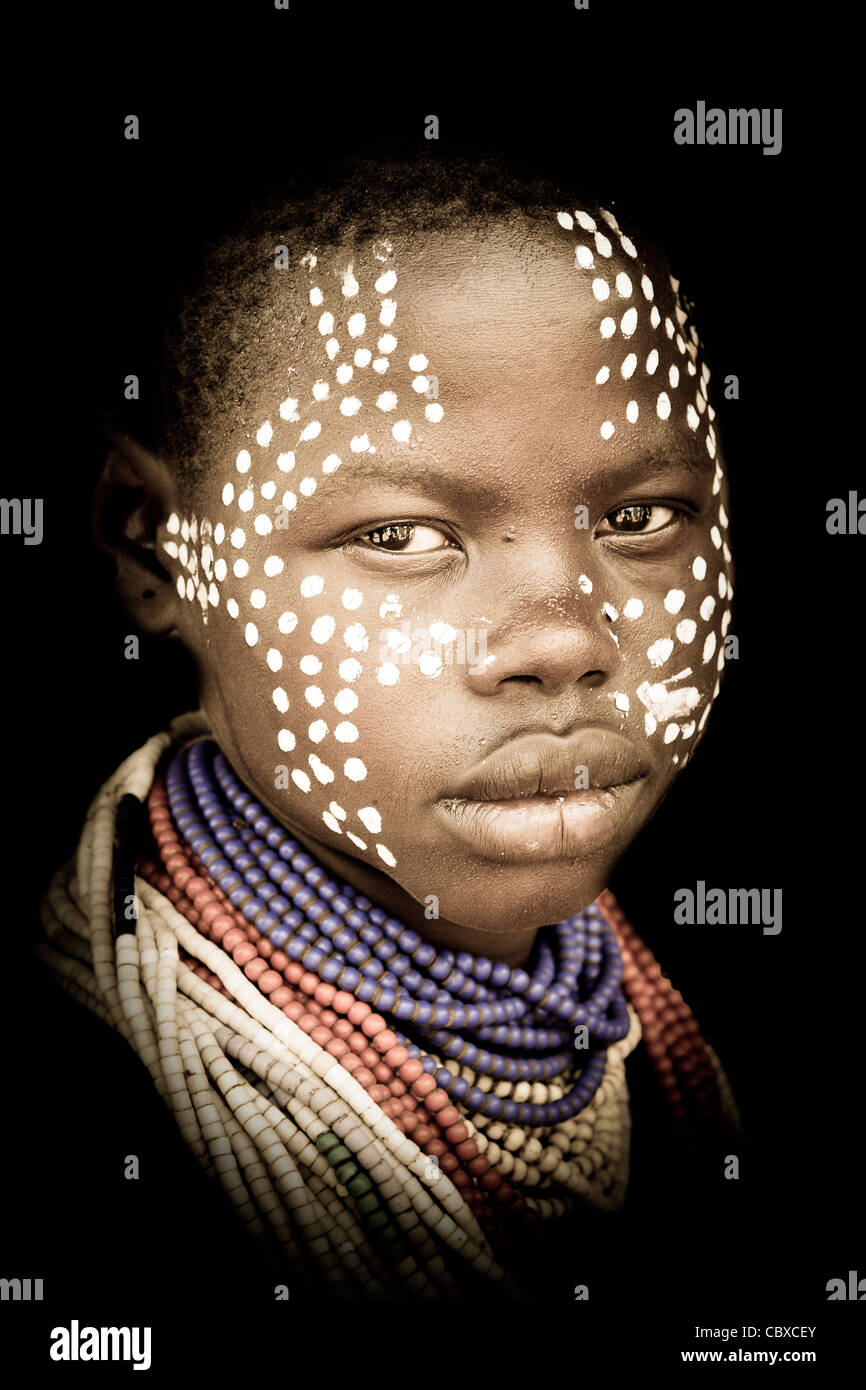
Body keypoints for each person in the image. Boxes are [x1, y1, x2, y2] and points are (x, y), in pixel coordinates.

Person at [37, 152, 741, 1301]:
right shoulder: (87, 1117)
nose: (564, 639)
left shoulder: (686, 1032)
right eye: (403, 535)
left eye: (638, 515)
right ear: (154, 546)